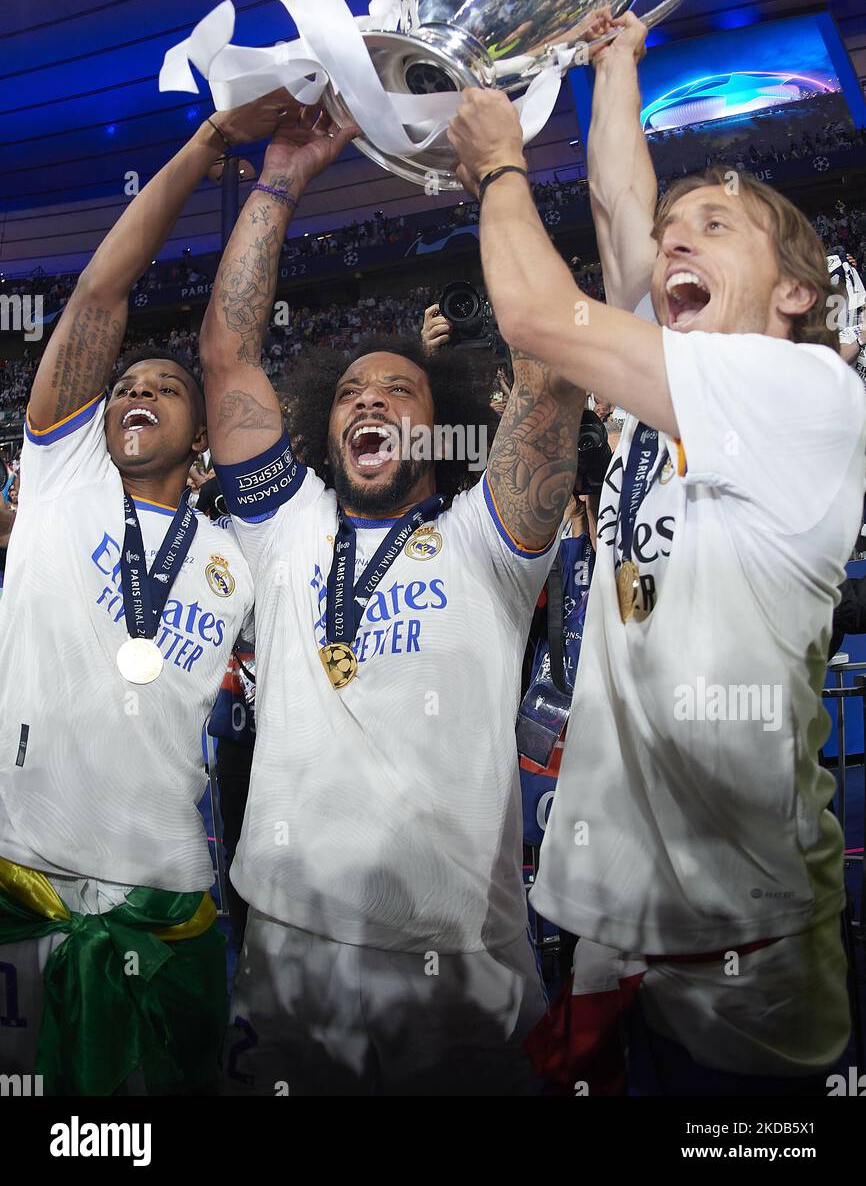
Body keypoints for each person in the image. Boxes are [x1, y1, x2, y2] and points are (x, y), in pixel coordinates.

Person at [446, 9, 866, 1096]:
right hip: (613, 923)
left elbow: (540, 314)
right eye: (680, 226)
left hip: (745, 955)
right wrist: (613, 62)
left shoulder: (799, 390)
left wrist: (497, 167)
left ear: (794, 293)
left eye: (716, 226)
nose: (677, 239)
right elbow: (621, 206)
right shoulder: (664, 386)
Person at [198, 105, 586, 1096]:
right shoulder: (285, 524)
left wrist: (495, 174)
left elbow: (547, 382)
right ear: (325, 432)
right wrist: (279, 178)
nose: (370, 399)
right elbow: (230, 360)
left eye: (400, 390)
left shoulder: (482, 544)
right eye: (350, 392)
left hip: (461, 984)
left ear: (441, 424)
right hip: (284, 973)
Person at [0, 94, 292, 1095]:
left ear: (203, 439)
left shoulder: (234, 554)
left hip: (166, 893)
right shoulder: (61, 481)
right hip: (15, 874)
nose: (135, 392)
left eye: (164, 388)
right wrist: (212, 140)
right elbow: (94, 301)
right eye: (126, 386)